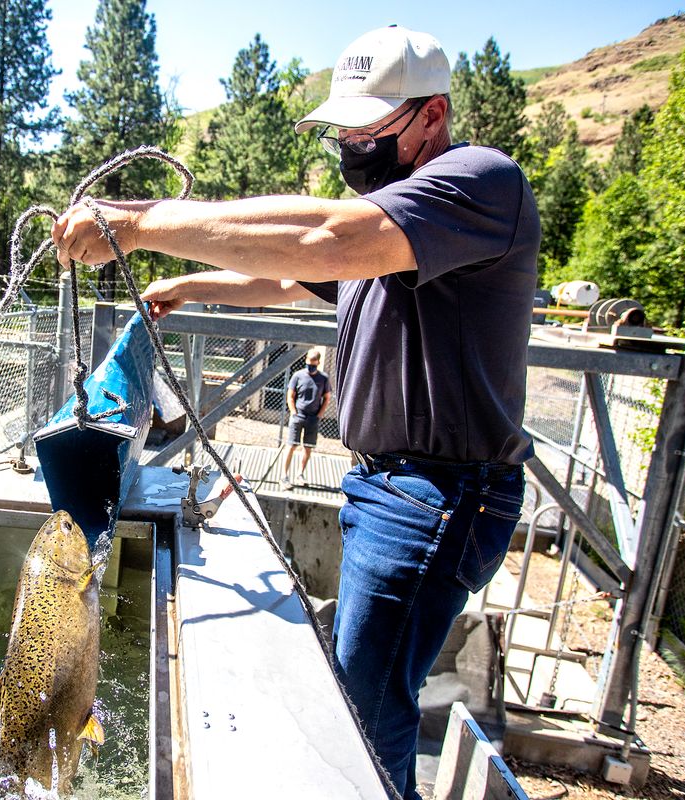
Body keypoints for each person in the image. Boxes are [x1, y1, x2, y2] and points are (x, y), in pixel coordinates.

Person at [52, 24, 539, 799]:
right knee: (365, 697)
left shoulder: (479, 182)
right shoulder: (398, 228)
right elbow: (291, 281)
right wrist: (193, 286)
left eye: (369, 129)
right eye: (343, 131)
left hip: (440, 494)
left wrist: (135, 225)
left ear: (434, 117)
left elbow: (323, 239)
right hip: (393, 488)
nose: (353, 145)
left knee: (366, 719)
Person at [283, 347, 332, 488]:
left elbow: (327, 398)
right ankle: (284, 476)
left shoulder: (323, 378)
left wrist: (319, 415)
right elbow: (290, 395)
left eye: (314, 363)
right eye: (309, 362)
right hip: (298, 416)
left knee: (308, 447)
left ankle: (300, 474)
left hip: (313, 418)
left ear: (318, 363)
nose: (311, 365)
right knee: (291, 445)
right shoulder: (298, 376)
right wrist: (293, 411)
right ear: (306, 360)